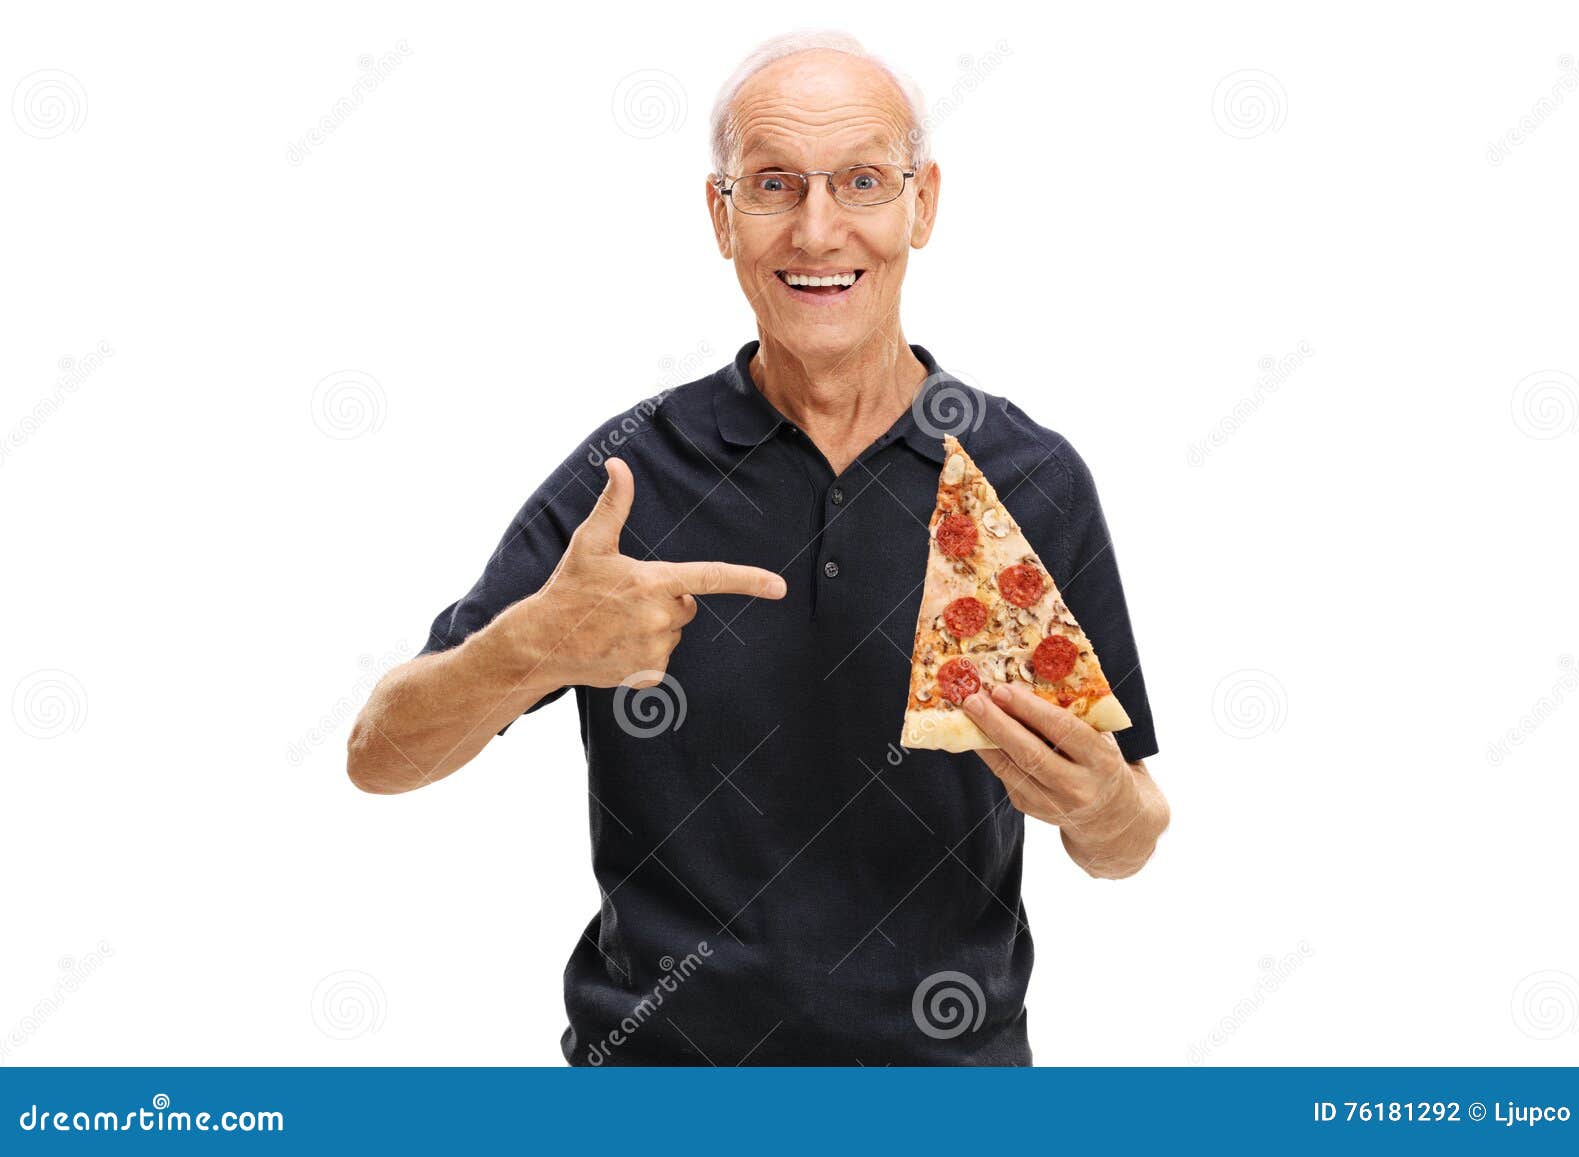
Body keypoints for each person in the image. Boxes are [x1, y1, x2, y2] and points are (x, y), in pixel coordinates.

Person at [348, 29, 1170, 1065]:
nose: (818, 232)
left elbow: (1130, 833)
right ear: (721, 214)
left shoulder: (1026, 477)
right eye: (774, 184)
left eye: (862, 181)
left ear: (922, 203)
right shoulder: (628, 473)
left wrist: (1098, 806)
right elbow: (379, 755)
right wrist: (527, 648)